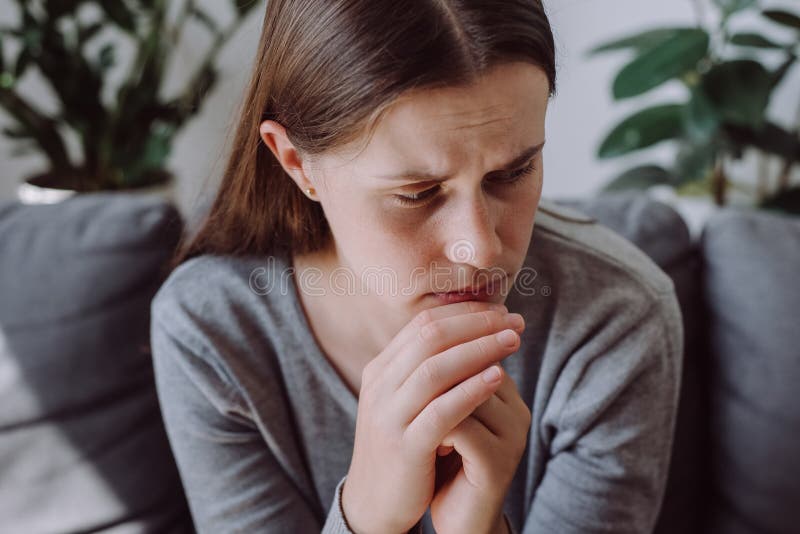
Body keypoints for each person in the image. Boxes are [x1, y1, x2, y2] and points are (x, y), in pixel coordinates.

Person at [149, 1, 684, 533]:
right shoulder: (210, 332)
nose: (479, 249)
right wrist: (367, 516)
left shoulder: (617, 321)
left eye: (514, 171)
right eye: (417, 193)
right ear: (296, 163)